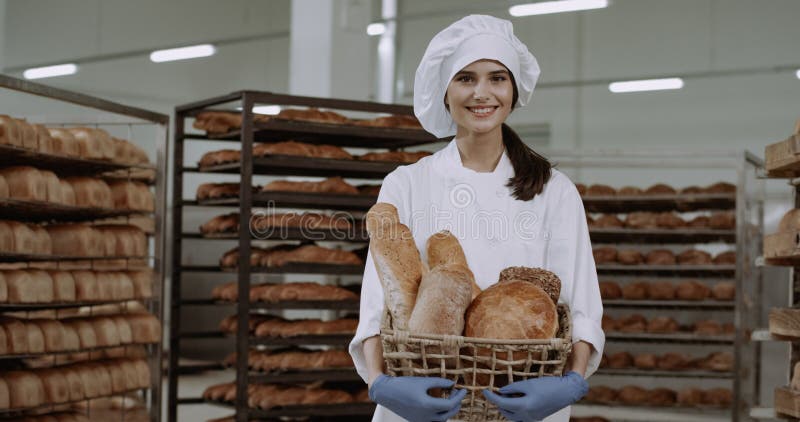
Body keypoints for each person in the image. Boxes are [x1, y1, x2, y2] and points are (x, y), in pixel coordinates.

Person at [348, 14, 605, 422]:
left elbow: (581, 303)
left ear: (514, 90)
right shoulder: (407, 183)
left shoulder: (555, 190)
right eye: (466, 78)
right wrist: (380, 381)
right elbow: (378, 304)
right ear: (445, 90)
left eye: (497, 78)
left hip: (523, 400)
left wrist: (571, 379)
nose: (481, 93)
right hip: (422, 401)